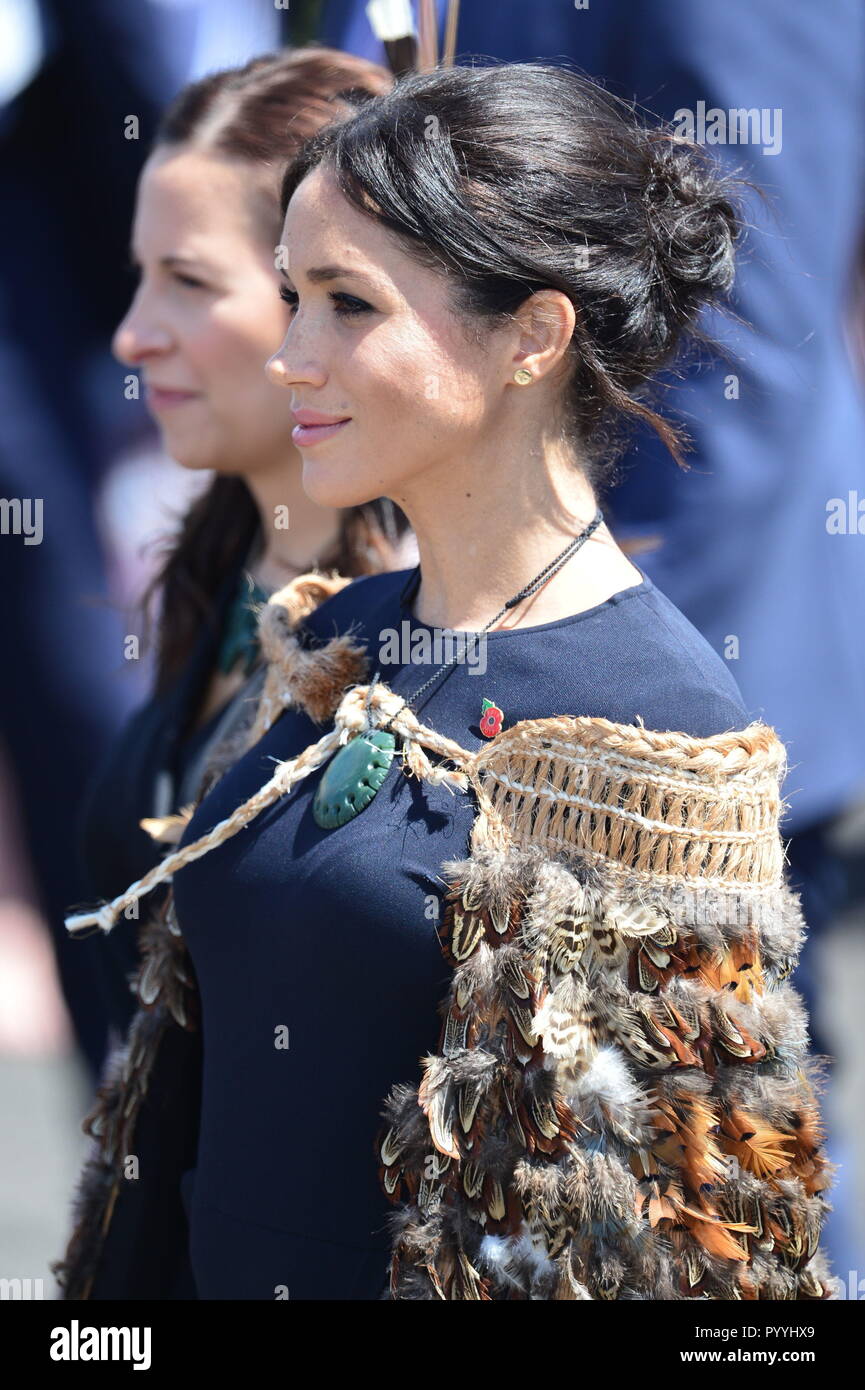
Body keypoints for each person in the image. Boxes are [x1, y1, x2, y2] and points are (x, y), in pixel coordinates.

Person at [57, 62, 837, 1301]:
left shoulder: (665, 737)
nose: (295, 355)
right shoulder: (342, 638)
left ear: (532, 335)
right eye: (289, 298)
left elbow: (708, 1250)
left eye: (349, 306)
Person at [79, 47, 412, 1044]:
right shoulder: (219, 569)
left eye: (187, 281)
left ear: (332, 296)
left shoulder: (435, 625)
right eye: (140, 277)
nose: (131, 337)